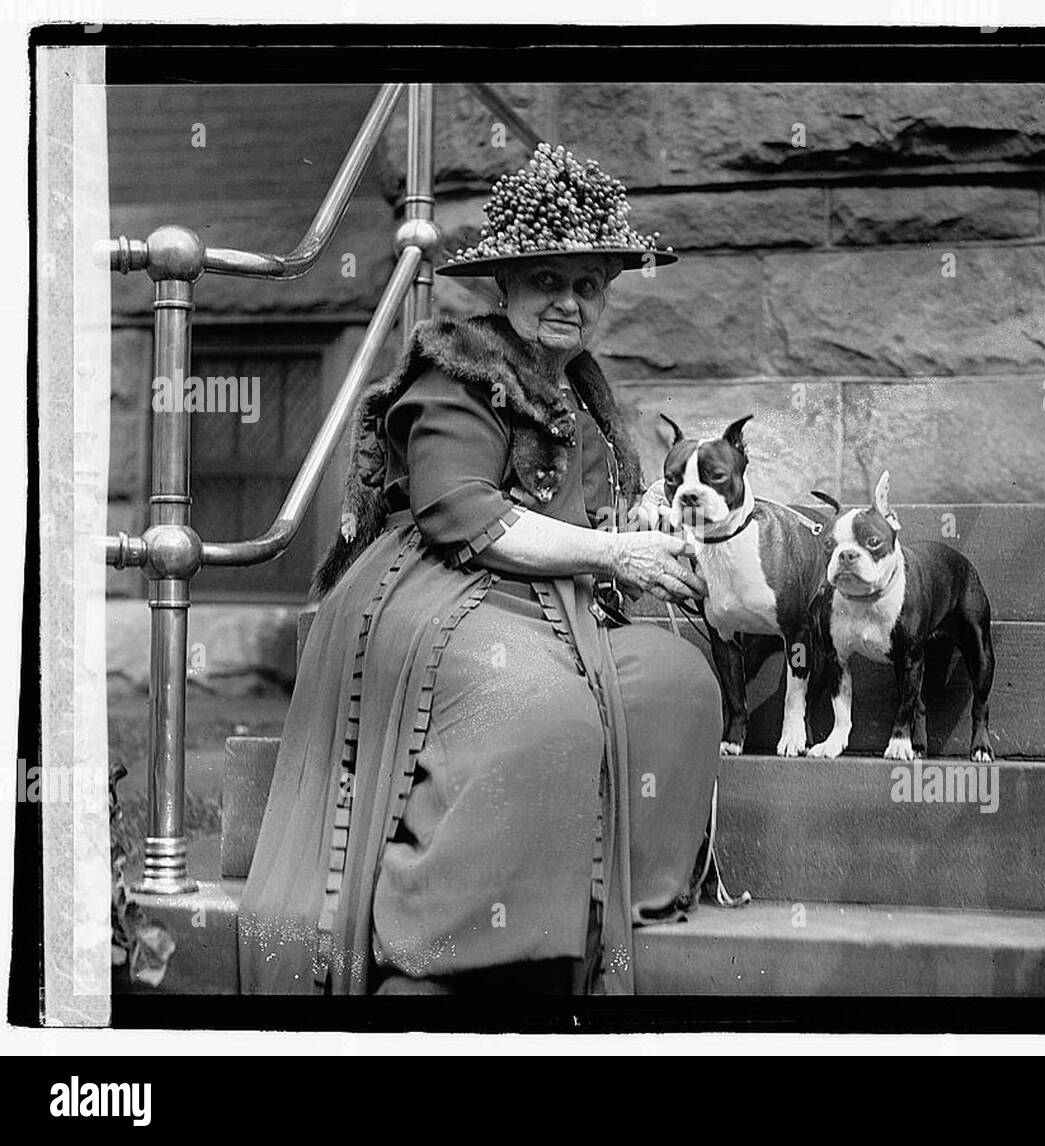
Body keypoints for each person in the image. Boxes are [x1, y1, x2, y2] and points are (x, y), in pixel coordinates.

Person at [237, 143, 722, 996]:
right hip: (434, 594)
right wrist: (614, 551)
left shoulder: (582, 388)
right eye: (548, 281)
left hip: (549, 603)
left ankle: (596, 903)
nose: (568, 301)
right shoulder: (461, 371)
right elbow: (462, 513)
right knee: (541, 703)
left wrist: (635, 541)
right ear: (508, 287)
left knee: (675, 680)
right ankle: (454, 936)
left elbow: (581, 517)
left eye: (588, 284)